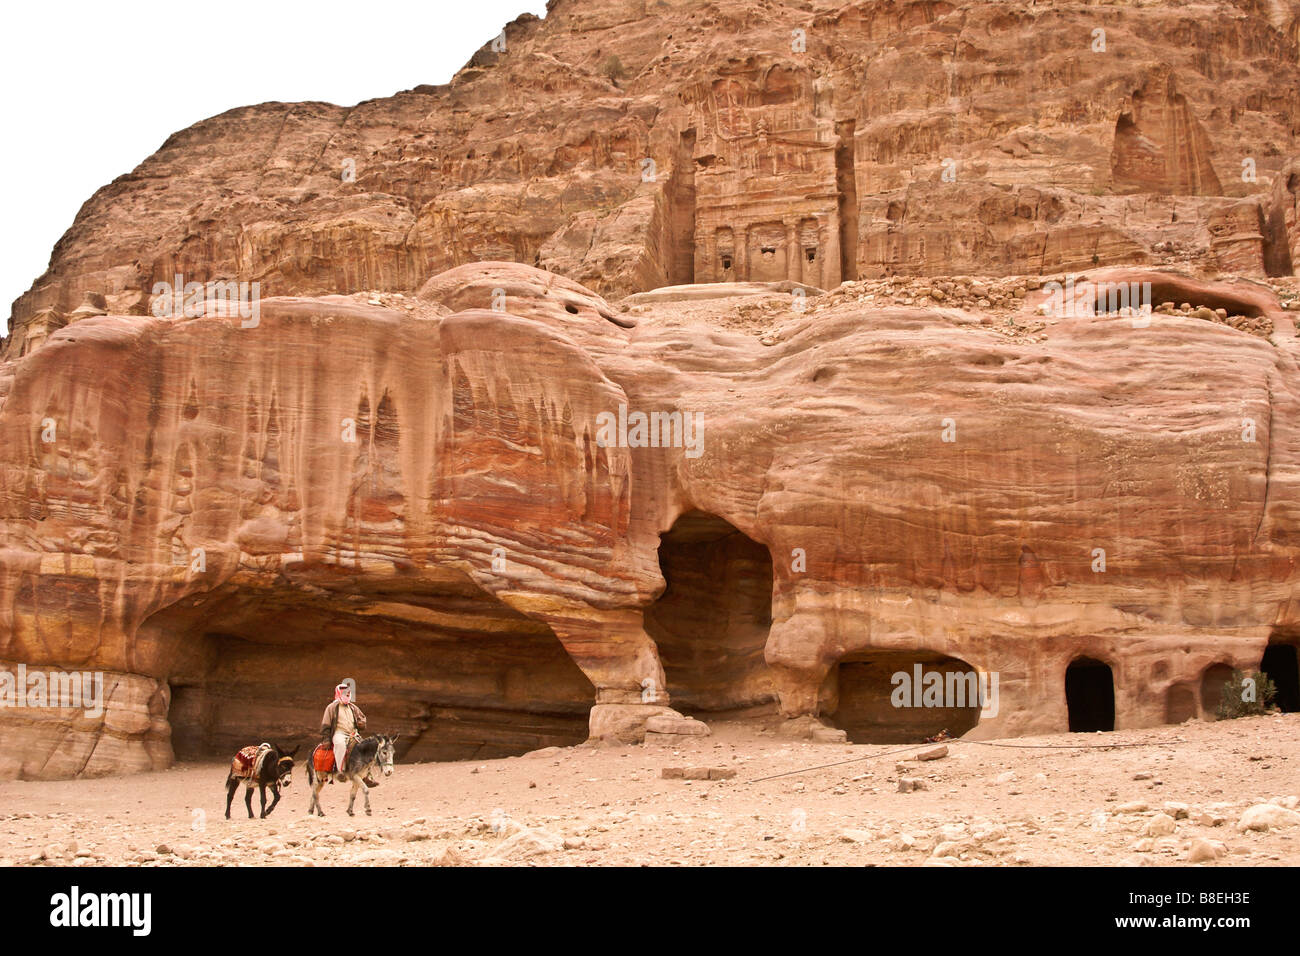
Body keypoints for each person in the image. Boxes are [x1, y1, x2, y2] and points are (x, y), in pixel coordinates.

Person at [320, 681, 366, 783]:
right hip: (339, 733)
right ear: (339, 694)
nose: (347, 695)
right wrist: (326, 739)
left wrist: (361, 723)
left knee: (365, 747)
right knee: (340, 744)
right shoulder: (331, 708)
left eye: (348, 694)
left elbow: (362, 718)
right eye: (345, 694)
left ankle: (367, 775)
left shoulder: (353, 707)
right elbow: (326, 724)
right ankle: (341, 771)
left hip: (353, 733)